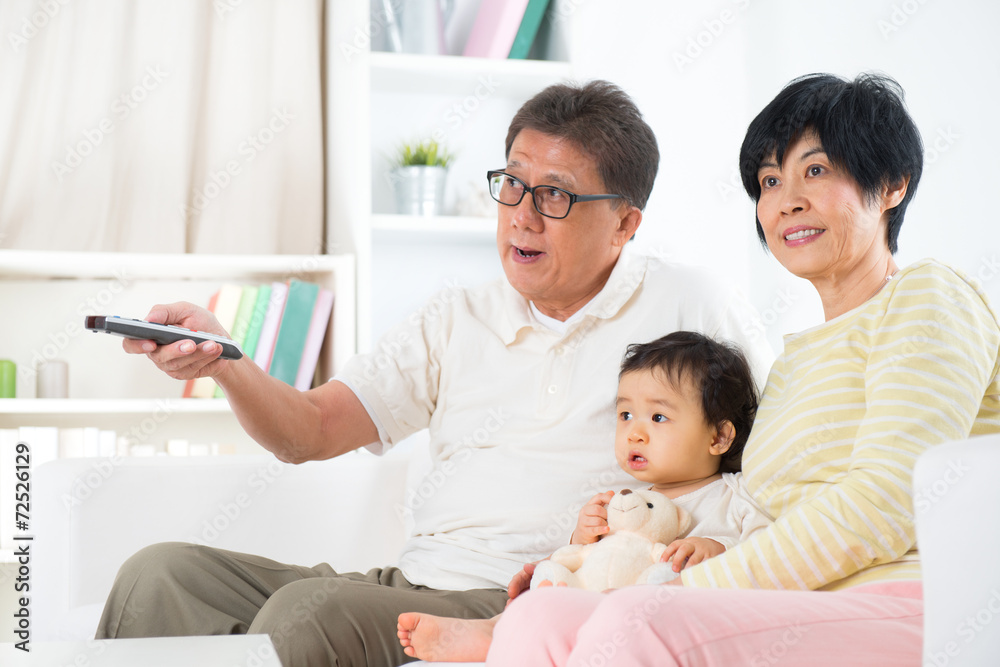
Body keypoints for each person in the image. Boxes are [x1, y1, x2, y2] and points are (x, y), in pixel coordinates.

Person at [94, 80, 774, 667]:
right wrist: (226, 361)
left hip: (529, 591)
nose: (522, 216)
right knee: (157, 577)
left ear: (625, 223)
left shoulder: (690, 301)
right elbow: (310, 431)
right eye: (513, 184)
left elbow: (775, 454)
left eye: (555, 195)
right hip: (415, 580)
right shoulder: (456, 316)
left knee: (311, 613)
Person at [418, 73, 1000, 666]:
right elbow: (746, 511)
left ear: (893, 184)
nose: (787, 200)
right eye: (769, 181)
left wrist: (681, 588)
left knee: (636, 621)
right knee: (540, 615)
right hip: (794, 606)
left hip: (908, 602)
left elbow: (884, 504)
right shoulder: (794, 364)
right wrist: (604, 567)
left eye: (816, 170)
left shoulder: (929, 297)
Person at [396, 331, 773, 661]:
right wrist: (583, 537)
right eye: (625, 415)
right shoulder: (624, 504)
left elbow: (771, 554)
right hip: (600, 617)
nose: (634, 433)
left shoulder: (735, 496)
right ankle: (496, 630)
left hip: (664, 625)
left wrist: (718, 550)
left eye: (658, 418)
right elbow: (592, 564)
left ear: (718, 436)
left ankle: (501, 635)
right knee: (552, 592)